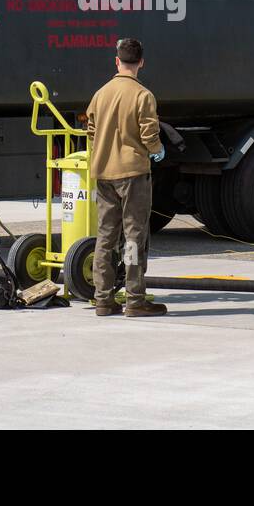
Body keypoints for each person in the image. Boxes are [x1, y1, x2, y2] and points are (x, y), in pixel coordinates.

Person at [84, 38, 166, 317]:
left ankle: (103, 299)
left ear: (116, 61)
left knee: (105, 237)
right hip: (133, 173)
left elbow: (91, 132)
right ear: (141, 62)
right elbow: (149, 135)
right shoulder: (143, 95)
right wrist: (157, 150)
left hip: (103, 173)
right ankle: (134, 299)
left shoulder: (100, 94)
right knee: (133, 237)